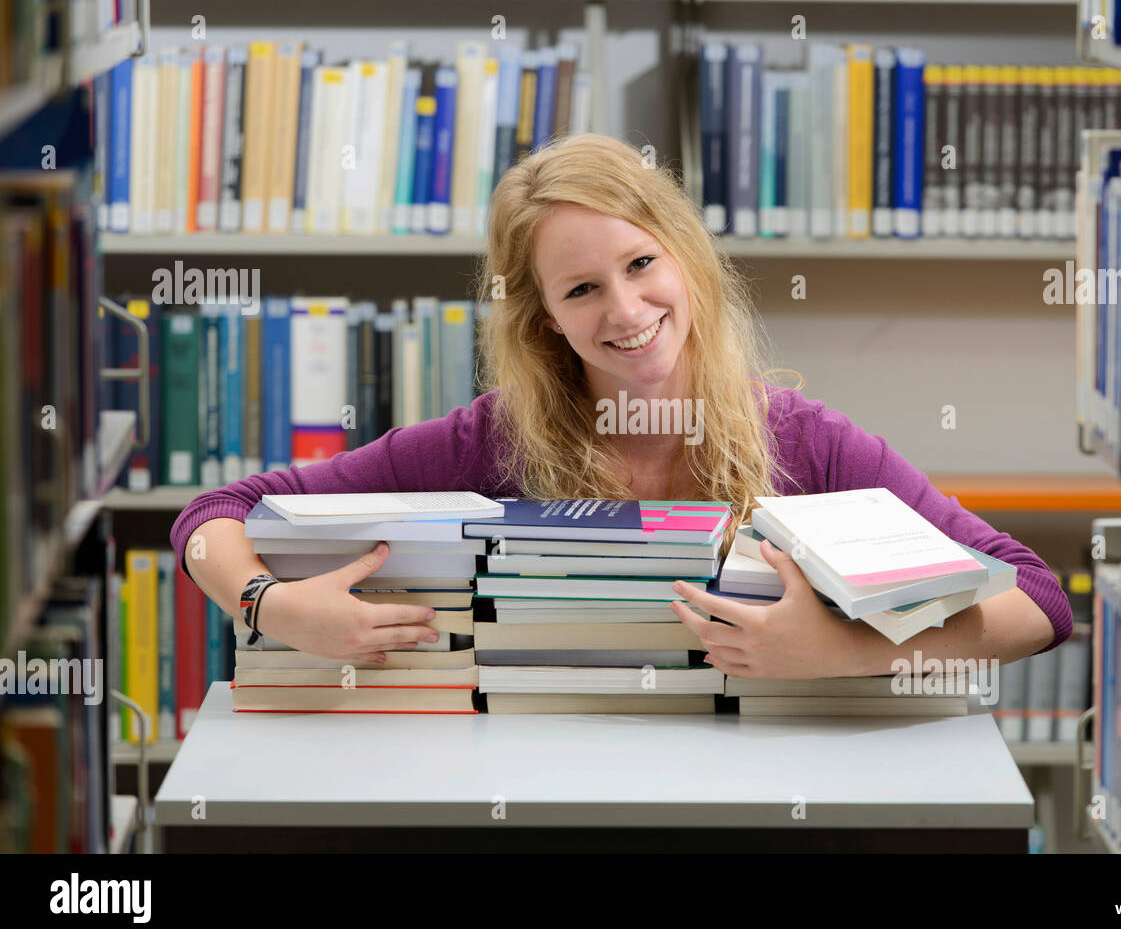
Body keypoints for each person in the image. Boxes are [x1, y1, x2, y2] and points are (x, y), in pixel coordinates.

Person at [170, 133, 1071, 680]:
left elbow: (1037, 597)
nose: (628, 313)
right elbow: (217, 513)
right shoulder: (489, 439)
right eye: (583, 290)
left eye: (642, 265)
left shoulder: (804, 441)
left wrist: (847, 652)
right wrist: (267, 604)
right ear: (546, 320)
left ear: (683, 257)